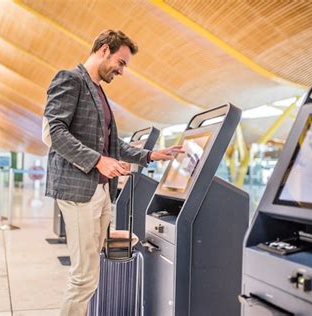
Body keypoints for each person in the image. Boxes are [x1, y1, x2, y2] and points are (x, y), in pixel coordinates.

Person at [44, 29, 183, 316]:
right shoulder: (70, 79)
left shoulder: (98, 92)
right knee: (84, 277)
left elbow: (112, 144)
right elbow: (55, 132)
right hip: (79, 190)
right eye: (120, 63)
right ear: (105, 50)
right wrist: (98, 161)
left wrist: (149, 155)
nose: (121, 71)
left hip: (99, 191)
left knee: (91, 274)